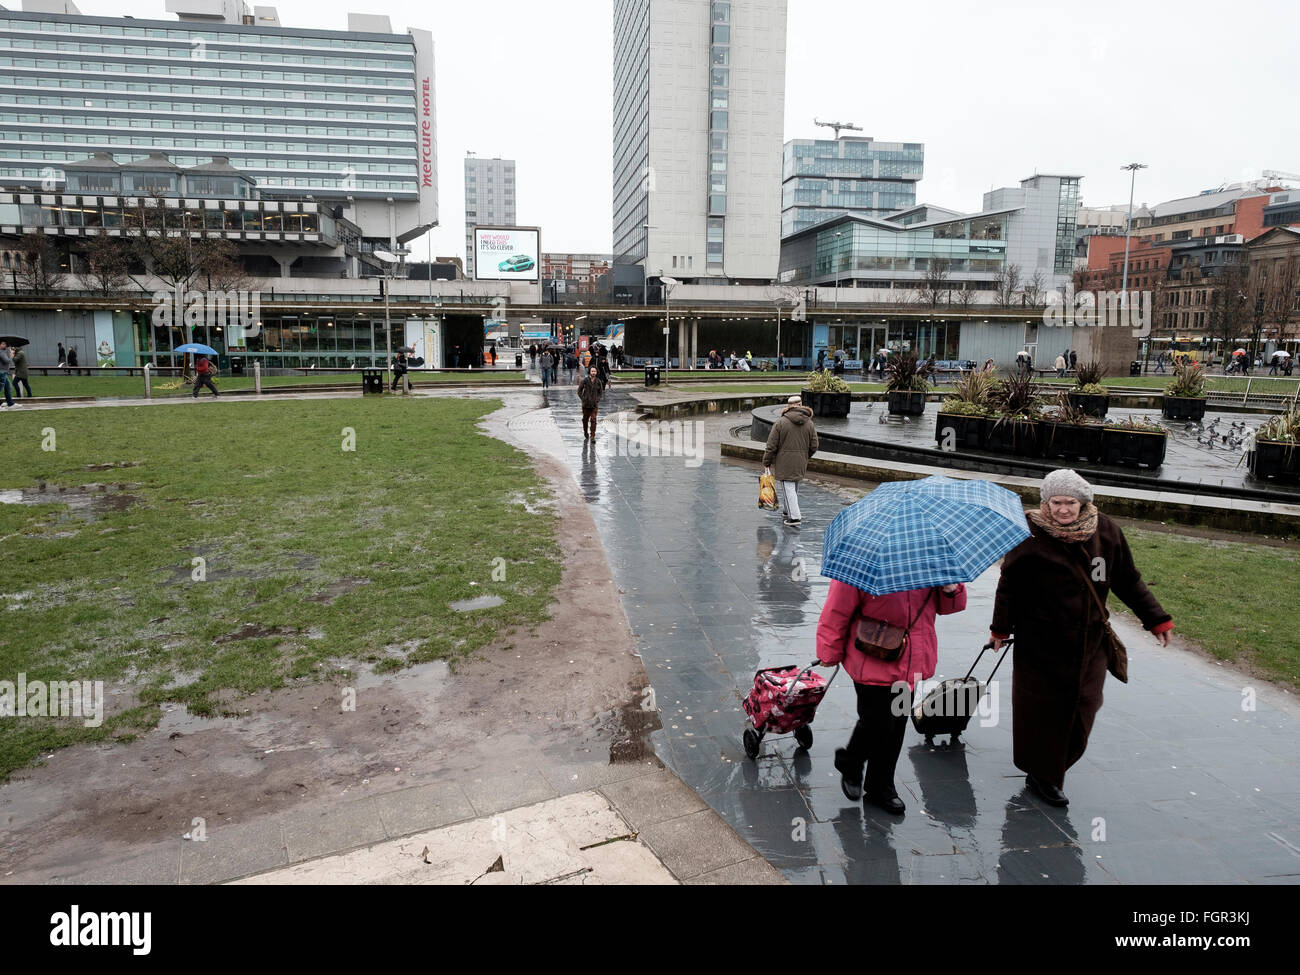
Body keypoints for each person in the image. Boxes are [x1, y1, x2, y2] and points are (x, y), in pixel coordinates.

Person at [989, 469, 1173, 808]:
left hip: (1090, 640)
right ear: (1044, 503)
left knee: (1085, 706)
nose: (1063, 510)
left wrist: (1156, 619)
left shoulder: (1105, 532)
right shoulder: (1027, 534)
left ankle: (1051, 766)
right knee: (1042, 711)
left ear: (1083, 502)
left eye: (1070, 503)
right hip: (1040, 643)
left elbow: (1127, 580)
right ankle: (1045, 776)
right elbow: (1010, 584)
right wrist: (1000, 628)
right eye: (1056, 503)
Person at [818, 580, 967, 814]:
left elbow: (949, 607)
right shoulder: (864, 558)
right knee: (877, 722)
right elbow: (837, 609)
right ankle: (851, 762)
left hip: (911, 659)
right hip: (873, 653)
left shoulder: (929, 559)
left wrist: (951, 590)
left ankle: (880, 786)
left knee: (896, 725)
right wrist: (829, 650)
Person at [761, 395, 818, 528]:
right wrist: (806, 456)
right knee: (793, 486)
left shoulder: (781, 422)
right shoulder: (809, 423)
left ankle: (795, 516)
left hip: (785, 460)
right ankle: (787, 511)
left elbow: (771, 445)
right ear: (801, 405)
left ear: (788, 406)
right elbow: (814, 445)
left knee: (788, 487)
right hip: (801, 460)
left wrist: (766, 461)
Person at [578, 365, 603, 440]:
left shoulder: (598, 381)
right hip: (586, 405)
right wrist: (583, 399)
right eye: (592, 371)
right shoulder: (585, 380)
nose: (593, 373)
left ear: (596, 372)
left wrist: (597, 399)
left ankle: (592, 436)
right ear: (589, 372)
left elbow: (600, 393)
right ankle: (585, 432)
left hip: (594, 405)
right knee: (585, 420)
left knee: (593, 420)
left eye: (595, 371)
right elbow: (579, 391)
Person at [0, 341, 16, 409]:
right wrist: (11, 355)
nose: (5, 345)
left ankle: (10, 403)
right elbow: (7, 361)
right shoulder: (0, 352)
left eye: (5, 344)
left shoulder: (3, 352)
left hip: (4, 372)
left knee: (8, 387)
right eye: (3, 344)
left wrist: (10, 355)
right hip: (1, 372)